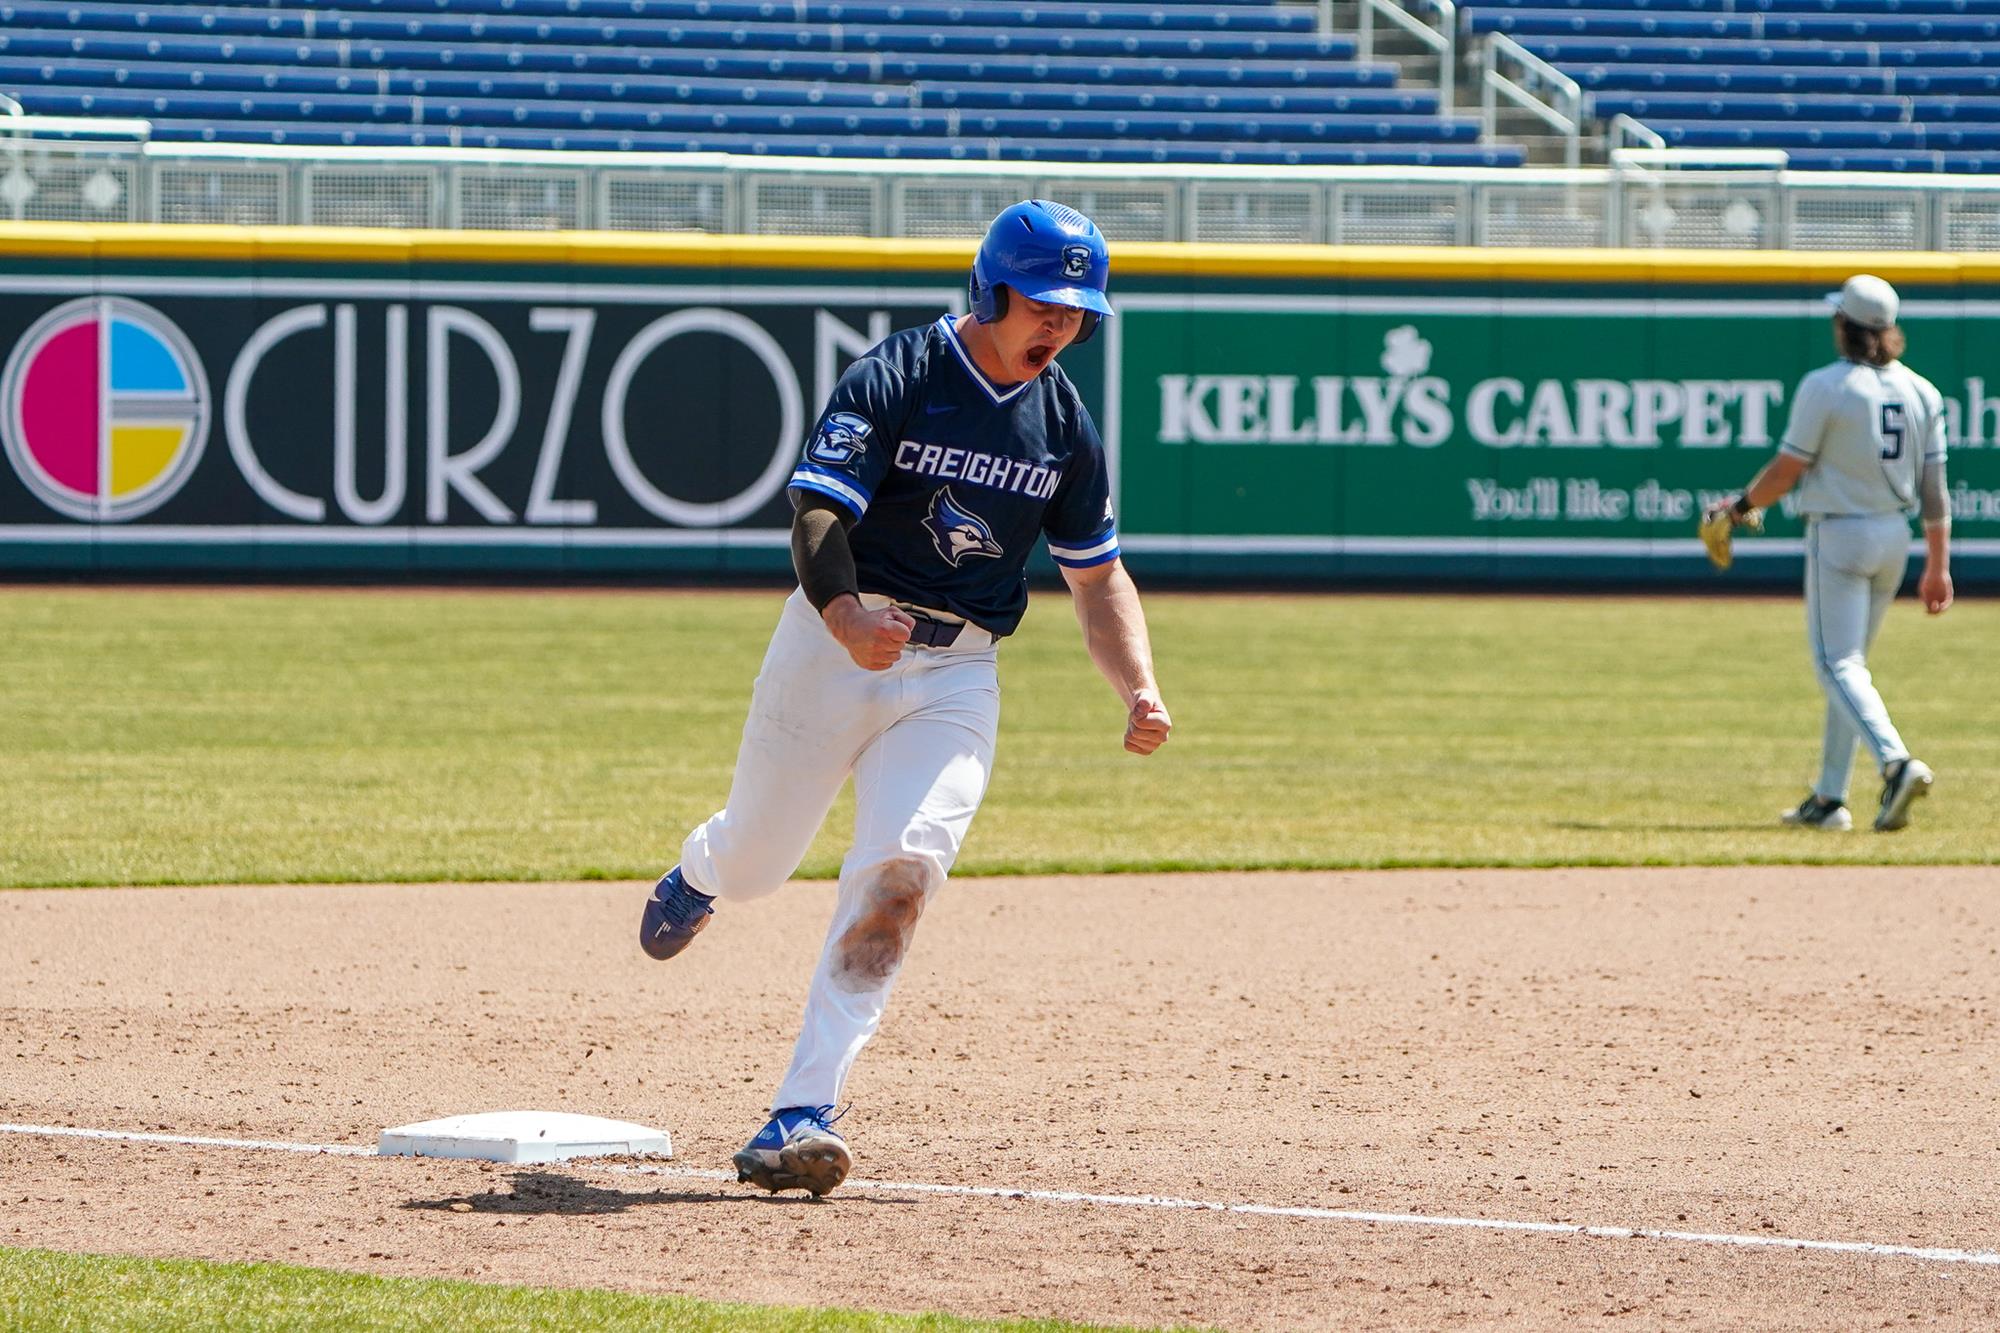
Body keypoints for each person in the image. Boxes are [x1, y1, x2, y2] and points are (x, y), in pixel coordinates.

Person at [636, 200, 1173, 1196]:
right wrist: (842, 614)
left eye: (1075, 311)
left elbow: (1096, 578)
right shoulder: (899, 376)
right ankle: (702, 868)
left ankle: (799, 1110)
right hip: (834, 645)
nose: (1057, 325)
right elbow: (813, 512)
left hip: (957, 673)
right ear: (990, 290)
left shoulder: (1061, 424)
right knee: (757, 861)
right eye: (1040, 303)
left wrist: (1137, 683)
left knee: (902, 873)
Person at [1702, 273, 1953, 833]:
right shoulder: (1922, 390)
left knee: (1835, 665)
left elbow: (1787, 470)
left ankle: (1896, 763)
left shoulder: (1827, 384)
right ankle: (1829, 799)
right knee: (1852, 671)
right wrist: (1938, 566)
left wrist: (1739, 507)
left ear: (1847, 327)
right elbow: (1936, 492)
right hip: (1896, 536)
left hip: (1839, 534)